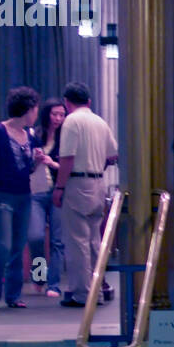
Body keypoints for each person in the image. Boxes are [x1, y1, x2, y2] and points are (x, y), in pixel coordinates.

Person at [54, 82, 118, 308]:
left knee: (77, 241)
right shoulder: (100, 122)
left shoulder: (72, 121)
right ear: (89, 101)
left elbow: (67, 158)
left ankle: (83, 294)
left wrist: (59, 187)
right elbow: (113, 155)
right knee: (94, 241)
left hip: (77, 183)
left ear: (67, 102)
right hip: (98, 183)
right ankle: (98, 288)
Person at [0, 86, 46, 308]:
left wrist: (37, 161)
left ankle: (15, 294)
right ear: (27, 109)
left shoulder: (31, 136)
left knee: (20, 245)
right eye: (35, 109)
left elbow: (29, 169)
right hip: (2, 194)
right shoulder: (0, 131)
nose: (37, 114)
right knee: (4, 245)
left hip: (25, 194)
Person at [28, 97, 66, 300]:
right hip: (37, 191)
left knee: (57, 241)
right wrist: (35, 161)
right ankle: (39, 275)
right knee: (36, 237)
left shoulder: (66, 137)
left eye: (62, 114)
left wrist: (52, 163)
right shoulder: (34, 135)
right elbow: (27, 167)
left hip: (59, 191)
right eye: (54, 114)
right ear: (46, 114)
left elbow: (69, 167)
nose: (58, 118)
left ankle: (54, 284)